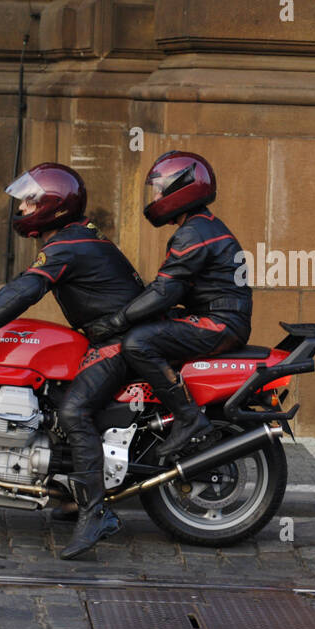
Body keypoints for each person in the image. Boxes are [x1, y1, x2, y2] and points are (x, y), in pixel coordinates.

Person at [0, 162, 144, 556]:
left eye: (27, 202)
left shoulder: (67, 246)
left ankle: (95, 512)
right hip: (116, 337)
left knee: (74, 410)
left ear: (52, 205)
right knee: (54, 401)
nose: (19, 209)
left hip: (121, 342)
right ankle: (70, 489)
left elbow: (23, 291)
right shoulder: (73, 238)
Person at [83, 150, 252, 479]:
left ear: (184, 189)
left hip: (218, 323)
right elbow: (169, 290)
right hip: (219, 318)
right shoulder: (202, 226)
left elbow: (164, 291)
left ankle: (188, 417)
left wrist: (117, 320)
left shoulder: (193, 234)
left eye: (161, 189)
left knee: (137, 343)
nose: (156, 197)